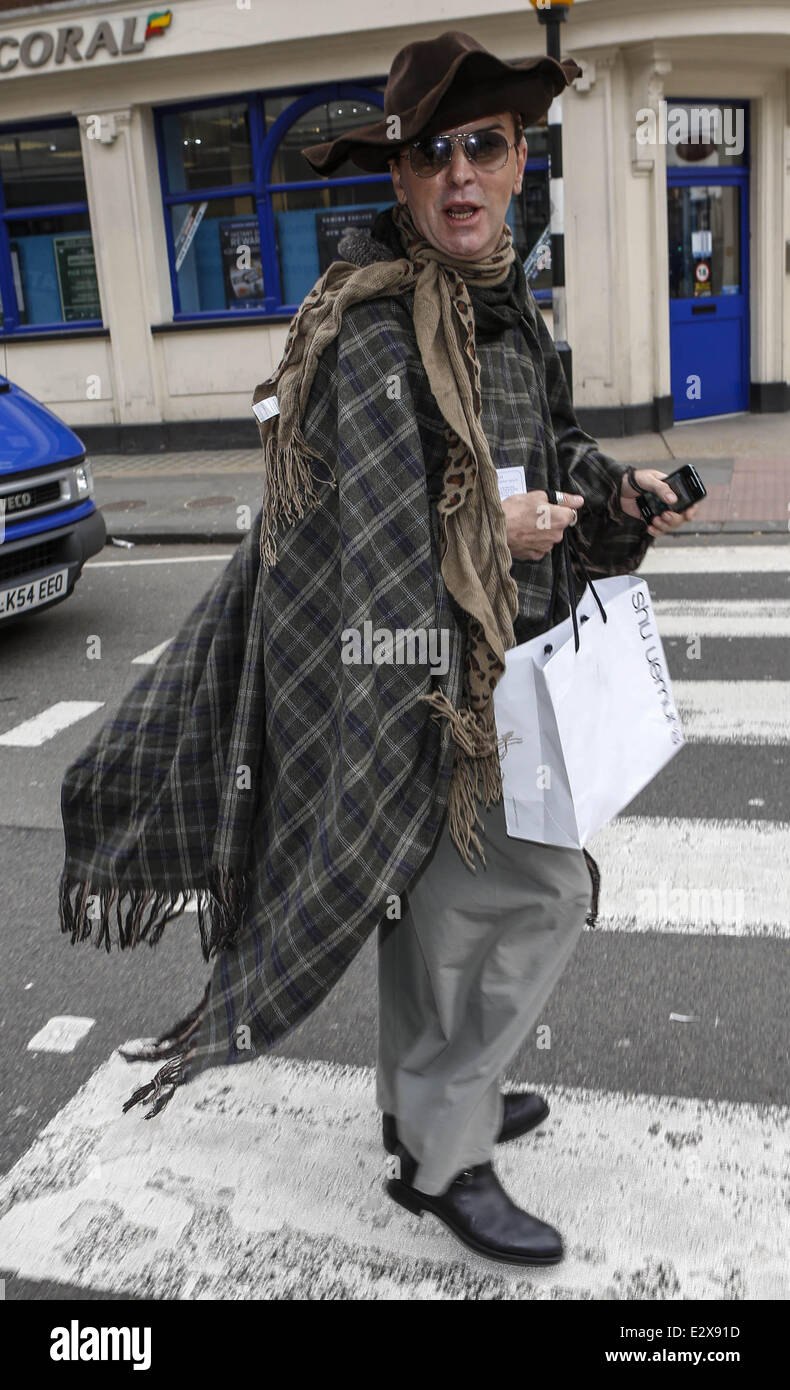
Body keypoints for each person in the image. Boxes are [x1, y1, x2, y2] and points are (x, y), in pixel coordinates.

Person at [57, 30, 699, 1269]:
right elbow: (340, 525)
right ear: (400, 178)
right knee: (536, 892)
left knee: (439, 915)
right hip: (400, 672)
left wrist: (613, 496)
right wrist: (482, 528)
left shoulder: (506, 306)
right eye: (432, 153)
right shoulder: (372, 324)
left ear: (520, 162)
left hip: (493, 667)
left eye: (485, 146)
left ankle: (423, 1102)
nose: (460, 174)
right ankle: (443, 1158)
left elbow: (546, 446)